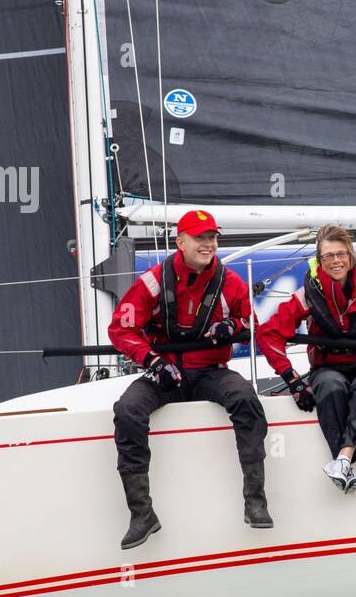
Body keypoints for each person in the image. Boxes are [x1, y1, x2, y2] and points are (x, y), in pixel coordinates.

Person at [108, 209, 271, 549]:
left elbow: (251, 324)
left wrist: (234, 328)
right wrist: (152, 361)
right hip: (164, 372)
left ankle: (255, 500)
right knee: (127, 411)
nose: (208, 244)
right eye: (200, 238)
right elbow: (121, 329)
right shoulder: (152, 282)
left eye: (212, 237)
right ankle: (142, 513)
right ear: (180, 242)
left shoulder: (231, 283)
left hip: (210, 373)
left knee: (246, 399)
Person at [258, 224, 356, 493]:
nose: (336, 261)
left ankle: (342, 459)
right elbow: (268, 334)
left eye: (341, 254)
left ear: (351, 256)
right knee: (330, 387)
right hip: (328, 368)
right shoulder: (307, 296)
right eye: (328, 256)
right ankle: (344, 461)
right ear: (319, 261)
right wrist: (292, 380)